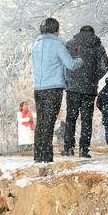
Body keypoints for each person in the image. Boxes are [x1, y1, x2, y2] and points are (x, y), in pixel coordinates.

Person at [30, 17, 83, 164]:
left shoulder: (36, 45)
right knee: (49, 122)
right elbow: (71, 65)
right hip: (53, 88)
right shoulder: (57, 45)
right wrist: (79, 57)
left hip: (38, 88)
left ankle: (39, 155)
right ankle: (46, 158)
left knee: (41, 122)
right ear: (55, 30)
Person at [63, 24, 108, 158]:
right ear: (93, 33)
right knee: (86, 120)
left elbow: (64, 63)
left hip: (73, 87)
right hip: (89, 88)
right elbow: (105, 66)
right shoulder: (98, 47)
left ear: (80, 32)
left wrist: (70, 77)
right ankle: (84, 149)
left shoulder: (71, 44)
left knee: (71, 118)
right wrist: (94, 77)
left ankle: (69, 148)